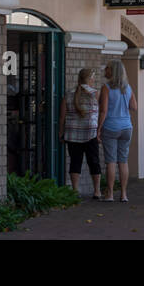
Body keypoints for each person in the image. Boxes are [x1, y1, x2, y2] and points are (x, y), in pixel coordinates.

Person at [97, 60, 137, 201]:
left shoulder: (106, 88)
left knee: (111, 161)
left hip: (110, 127)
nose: (105, 71)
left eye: (107, 69)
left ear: (112, 71)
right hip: (126, 127)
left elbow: (103, 110)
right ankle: (124, 194)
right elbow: (134, 107)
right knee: (123, 161)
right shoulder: (128, 88)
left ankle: (110, 194)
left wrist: (98, 128)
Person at [59, 67, 102, 198]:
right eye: (93, 78)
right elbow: (101, 112)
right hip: (91, 133)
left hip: (72, 134)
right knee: (94, 161)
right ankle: (97, 191)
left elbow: (62, 117)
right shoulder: (95, 93)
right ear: (89, 79)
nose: (94, 80)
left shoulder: (69, 93)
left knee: (75, 162)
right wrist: (100, 131)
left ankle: (75, 190)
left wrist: (61, 133)